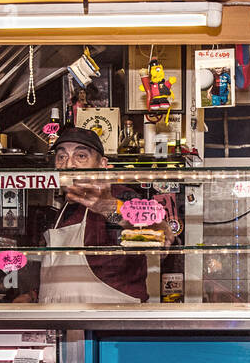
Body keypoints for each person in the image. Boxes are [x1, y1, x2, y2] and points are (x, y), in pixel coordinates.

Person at [33, 126, 168, 304]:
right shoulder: (62, 209)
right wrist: (33, 295)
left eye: (81, 156)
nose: (69, 164)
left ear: (102, 164)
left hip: (110, 323)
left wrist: (109, 208)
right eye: (62, 156)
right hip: (63, 322)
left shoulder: (121, 196)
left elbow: (160, 235)